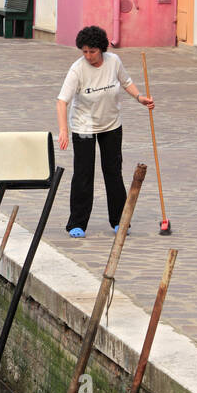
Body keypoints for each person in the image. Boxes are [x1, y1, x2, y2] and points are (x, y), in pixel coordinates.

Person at [56, 25, 155, 238]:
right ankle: (77, 223)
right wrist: (63, 130)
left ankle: (119, 221)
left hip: (111, 125)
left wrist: (140, 98)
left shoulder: (114, 62)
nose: (88, 56)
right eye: (84, 51)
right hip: (84, 128)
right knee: (83, 174)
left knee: (113, 172)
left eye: (92, 51)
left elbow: (126, 82)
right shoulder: (77, 69)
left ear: (101, 48)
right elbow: (62, 101)